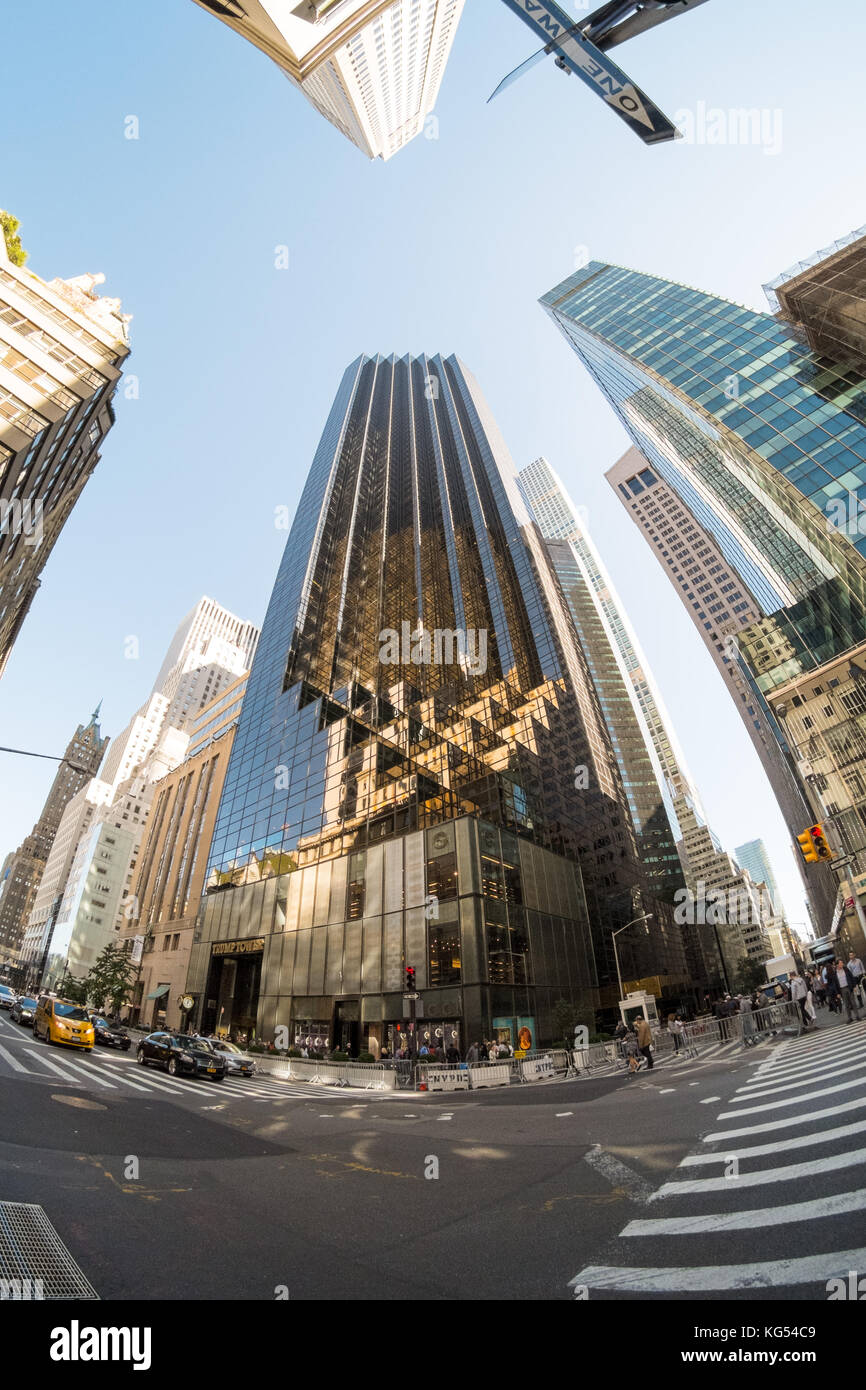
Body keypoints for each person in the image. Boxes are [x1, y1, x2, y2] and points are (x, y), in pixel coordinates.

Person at [832, 958, 862, 1024]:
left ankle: (857, 1016)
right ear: (837, 965)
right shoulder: (835, 973)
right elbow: (834, 984)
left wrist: (854, 986)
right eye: (840, 963)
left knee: (853, 1002)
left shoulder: (846, 969)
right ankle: (849, 1018)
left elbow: (852, 977)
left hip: (849, 987)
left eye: (842, 963)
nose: (842, 964)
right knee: (846, 1004)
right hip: (842, 989)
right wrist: (837, 993)